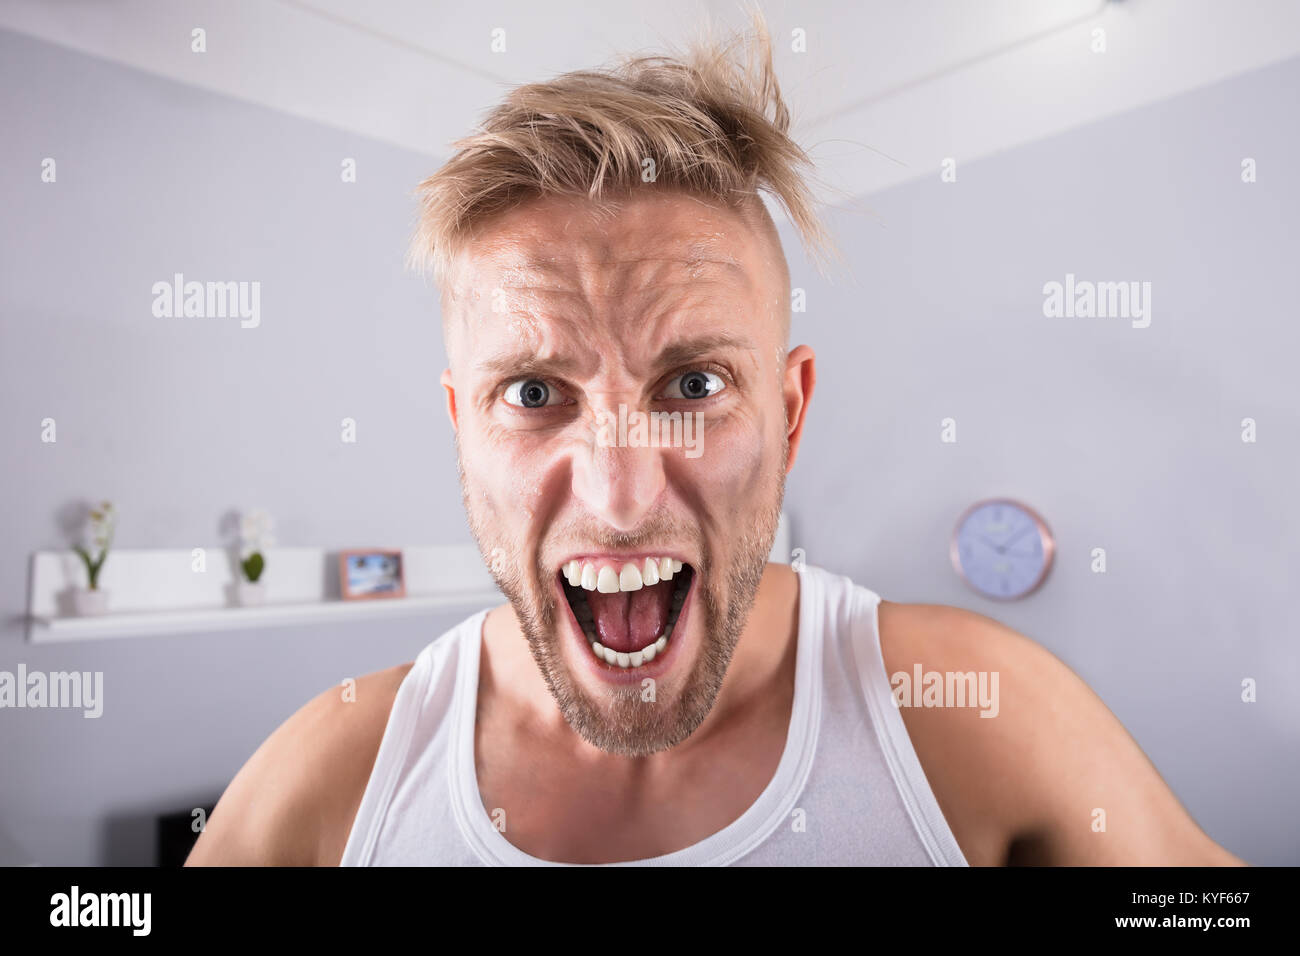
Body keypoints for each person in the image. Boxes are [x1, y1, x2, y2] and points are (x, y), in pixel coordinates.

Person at [187, 12, 1241, 867]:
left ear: (787, 411)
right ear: (463, 427)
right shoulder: (330, 783)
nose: (619, 496)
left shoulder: (981, 724)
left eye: (692, 383)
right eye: (535, 391)